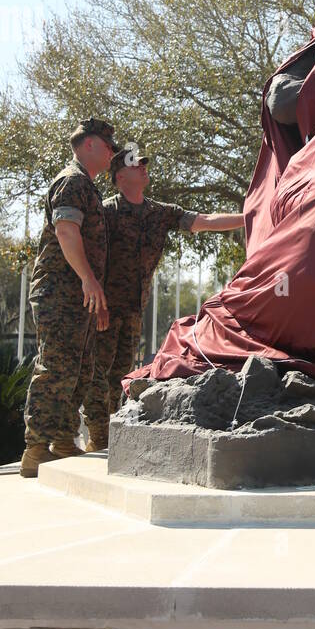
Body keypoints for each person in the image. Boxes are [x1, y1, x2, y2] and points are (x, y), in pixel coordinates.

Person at [81, 146, 245, 450]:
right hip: (104, 307)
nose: (143, 167)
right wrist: (97, 304)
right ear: (119, 176)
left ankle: (109, 436)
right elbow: (90, 259)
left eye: (144, 162)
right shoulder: (106, 213)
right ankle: (99, 437)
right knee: (96, 373)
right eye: (136, 165)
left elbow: (206, 220)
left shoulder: (160, 213)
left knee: (120, 373)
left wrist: (250, 216)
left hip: (133, 308)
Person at [20, 118, 118, 478]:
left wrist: (94, 292)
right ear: (89, 144)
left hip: (78, 296)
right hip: (59, 292)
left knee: (79, 368)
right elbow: (65, 230)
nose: (111, 153)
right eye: (108, 146)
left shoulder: (88, 187)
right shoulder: (72, 180)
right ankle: (35, 449)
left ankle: (61, 440)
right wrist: (89, 280)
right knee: (56, 367)